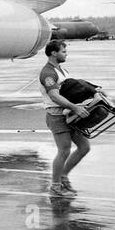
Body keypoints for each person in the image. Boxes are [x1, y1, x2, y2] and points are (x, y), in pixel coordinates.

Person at [39, 39, 92, 197]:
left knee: (84, 147)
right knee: (64, 151)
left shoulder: (62, 70)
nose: (66, 54)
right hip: (57, 116)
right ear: (54, 53)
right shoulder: (48, 73)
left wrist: (95, 91)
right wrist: (75, 107)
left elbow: (75, 87)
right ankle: (55, 186)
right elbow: (54, 96)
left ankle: (63, 177)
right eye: (63, 51)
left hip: (69, 114)